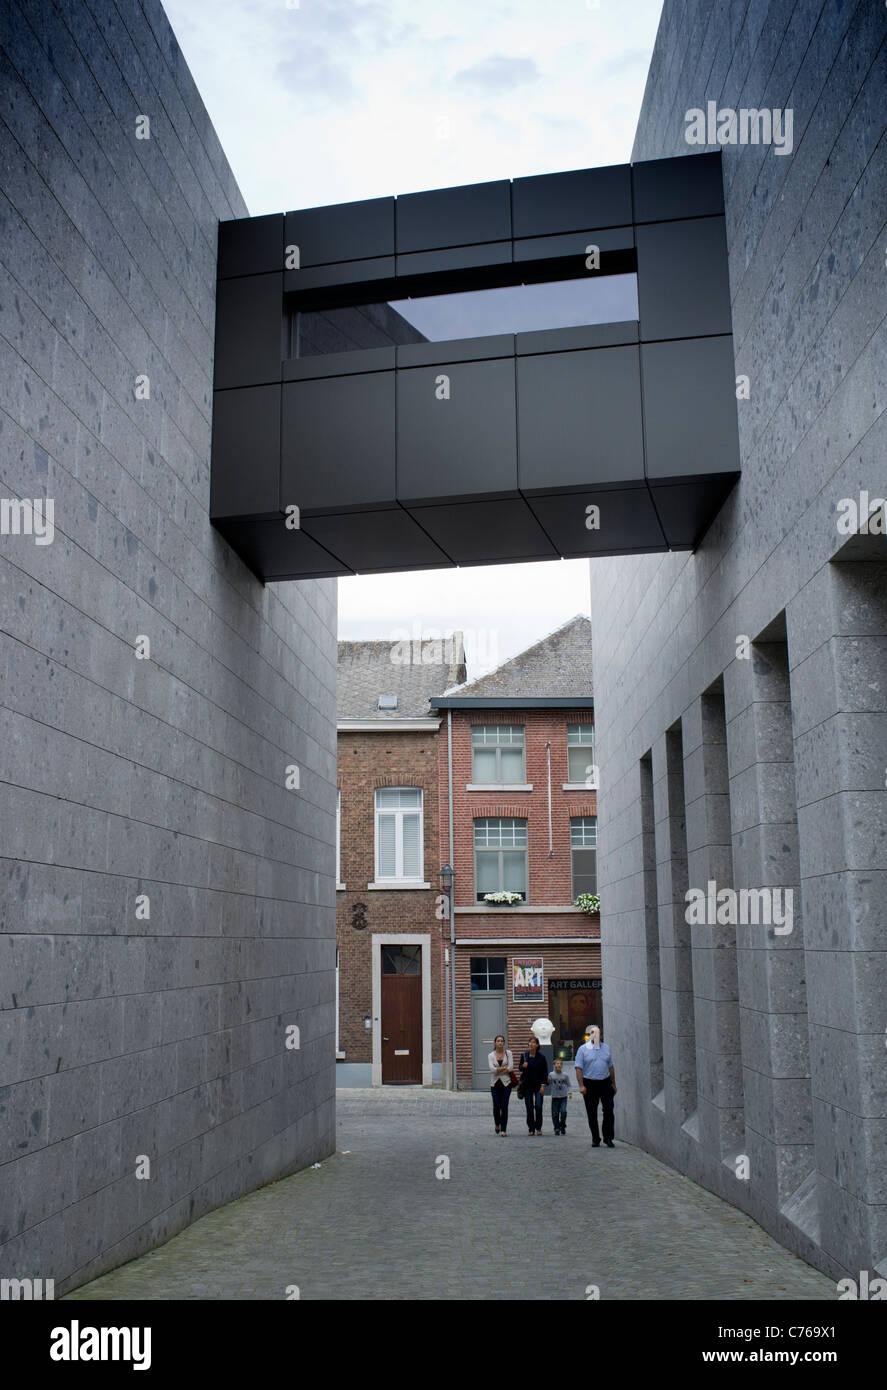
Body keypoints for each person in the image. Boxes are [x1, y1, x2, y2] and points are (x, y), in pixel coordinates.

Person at [574, 1024, 616, 1147]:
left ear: (601, 1036)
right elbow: (578, 1068)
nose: (596, 1036)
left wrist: (613, 1083)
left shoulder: (606, 1048)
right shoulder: (582, 1049)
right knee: (591, 1112)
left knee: (608, 1110)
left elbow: (611, 1066)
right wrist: (581, 1085)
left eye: (598, 1034)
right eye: (593, 1034)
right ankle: (595, 1138)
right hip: (589, 1083)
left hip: (605, 1082)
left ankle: (608, 1137)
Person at [518, 1034, 548, 1135]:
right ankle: (531, 1128)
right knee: (529, 1107)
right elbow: (520, 1068)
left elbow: (544, 1072)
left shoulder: (541, 1057)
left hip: (538, 1085)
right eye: (530, 1042)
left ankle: (538, 1127)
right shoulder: (524, 1055)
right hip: (527, 1085)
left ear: (537, 1045)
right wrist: (523, 1065)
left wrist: (543, 1085)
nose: (531, 1044)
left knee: (538, 1106)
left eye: (533, 1042)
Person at [488, 1034, 514, 1135]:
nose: (500, 1042)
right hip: (494, 1084)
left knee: (504, 1106)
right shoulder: (490, 1055)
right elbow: (492, 1069)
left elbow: (511, 1067)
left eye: (502, 1041)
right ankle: (497, 1124)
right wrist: (504, 1068)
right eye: (498, 1041)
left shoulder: (508, 1053)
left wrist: (498, 1070)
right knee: (496, 1106)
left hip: (506, 1083)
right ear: (495, 1043)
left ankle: (503, 1129)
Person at [547, 1056, 572, 1134]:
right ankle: (556, 1127)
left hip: (563, 1097)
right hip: (555, 1097)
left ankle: (562, 1125)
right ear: (554, 1065)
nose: (558, 1065)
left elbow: (569, 1084)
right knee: (555, 1113)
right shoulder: (551, 1074)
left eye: (560, 1064)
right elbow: (548, 1083)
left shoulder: (565, 1075)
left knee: (563, 1111)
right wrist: (547, 1081)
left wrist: (570, 1092)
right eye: (557, 1064)